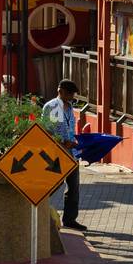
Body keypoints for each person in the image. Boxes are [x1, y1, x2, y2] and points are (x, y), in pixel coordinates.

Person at [41, 79, 85, 230]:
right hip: (56, 152)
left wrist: (73, 143)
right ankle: (40, 208)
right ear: (61, 91)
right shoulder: (52, 107)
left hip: (72, 152)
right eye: (70, 93)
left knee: (74, 186)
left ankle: (70, 219)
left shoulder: (70, 107)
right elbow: (47, 130)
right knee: (55, 183)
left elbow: (69, 128)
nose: (72, 96)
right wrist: (61, 142)